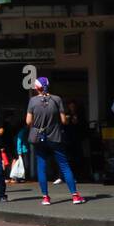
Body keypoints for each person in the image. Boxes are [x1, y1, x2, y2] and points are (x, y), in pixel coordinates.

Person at [25, 76, 87, 206]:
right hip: (55, 136)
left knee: (41, 166)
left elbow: (28, 121)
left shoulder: (33, 101)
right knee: (64, 165)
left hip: (38, 137)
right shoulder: (57, 99)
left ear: (37, 87)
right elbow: (64, 121)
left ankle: (45, 197)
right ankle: (75, 195)